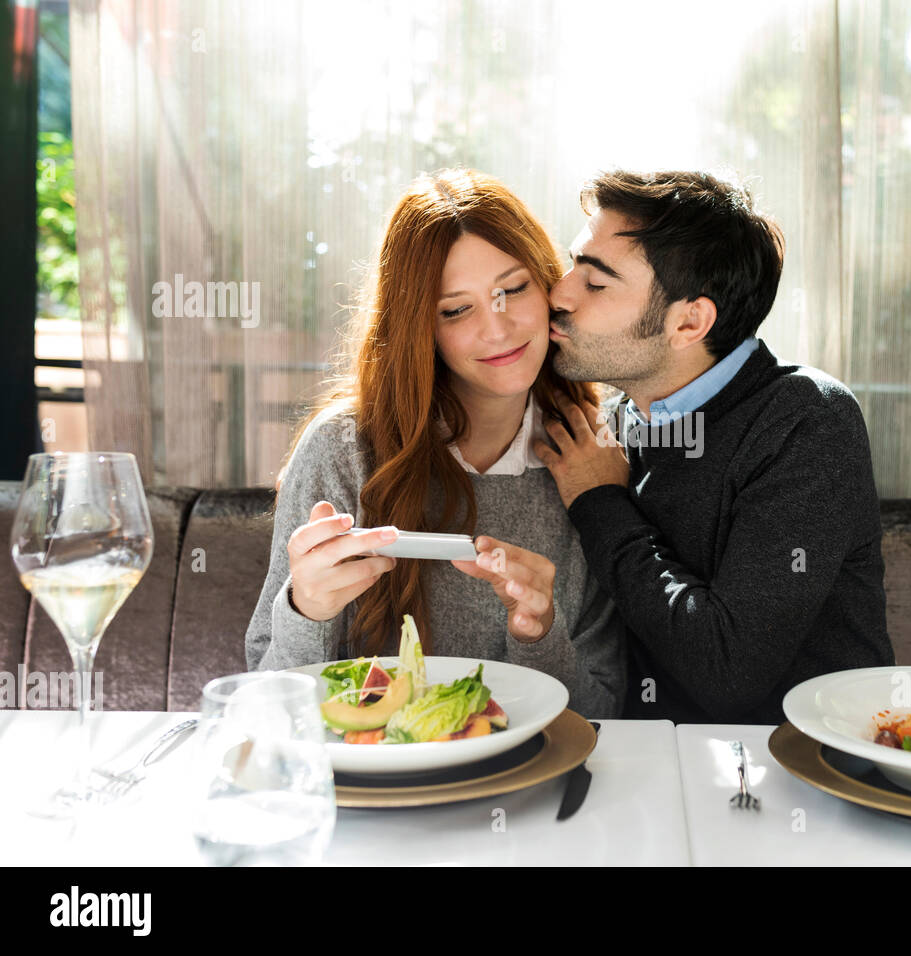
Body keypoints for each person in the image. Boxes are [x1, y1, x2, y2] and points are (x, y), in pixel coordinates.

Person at [244, 168, 626, 719]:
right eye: (456, 309)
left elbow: (604, 714)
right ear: (420, 327)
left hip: (526, 787)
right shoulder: (342, 449)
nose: (497, 329)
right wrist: (307, 609)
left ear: (550, 287)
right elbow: (267, 700)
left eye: (513, 289)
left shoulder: (593, 450)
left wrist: (540, 634)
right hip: (376, 791)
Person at [533, 169, 893, 724]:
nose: (558, 292)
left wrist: (599, 502)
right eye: (573, 263)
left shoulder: (806, 422)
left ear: (689, 322)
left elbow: (727, 673)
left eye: (596, 282)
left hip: (796, 784)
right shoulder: (609, 425)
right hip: (643, 774)